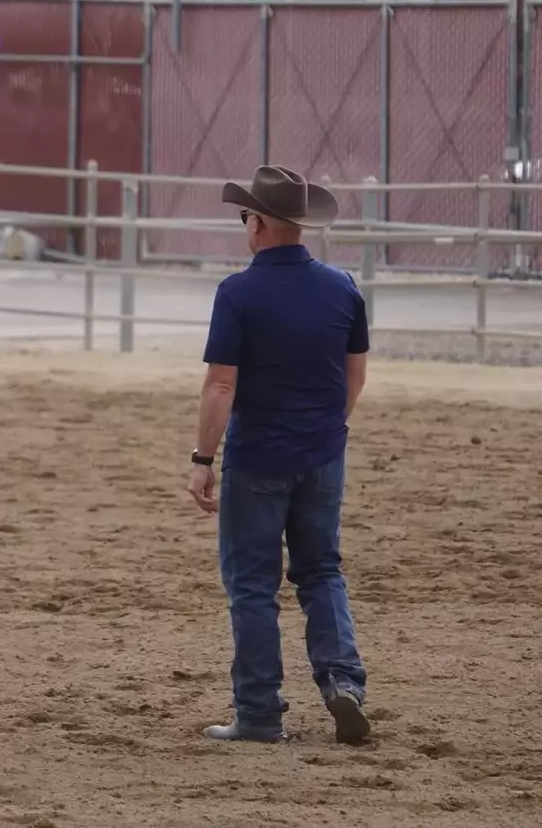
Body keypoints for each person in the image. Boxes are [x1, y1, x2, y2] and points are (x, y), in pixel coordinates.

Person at [185, 165, 372, 746]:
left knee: (252, 586)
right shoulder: (342, 287)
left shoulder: (237, 293)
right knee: (322, 572)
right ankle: (342, 682)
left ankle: (260, 713)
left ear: (259, 223)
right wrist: (325, 426)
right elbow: (356, 374)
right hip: (321, 452)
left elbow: (220, 386)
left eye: (246, 217)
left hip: (259, 453)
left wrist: (202, 458)